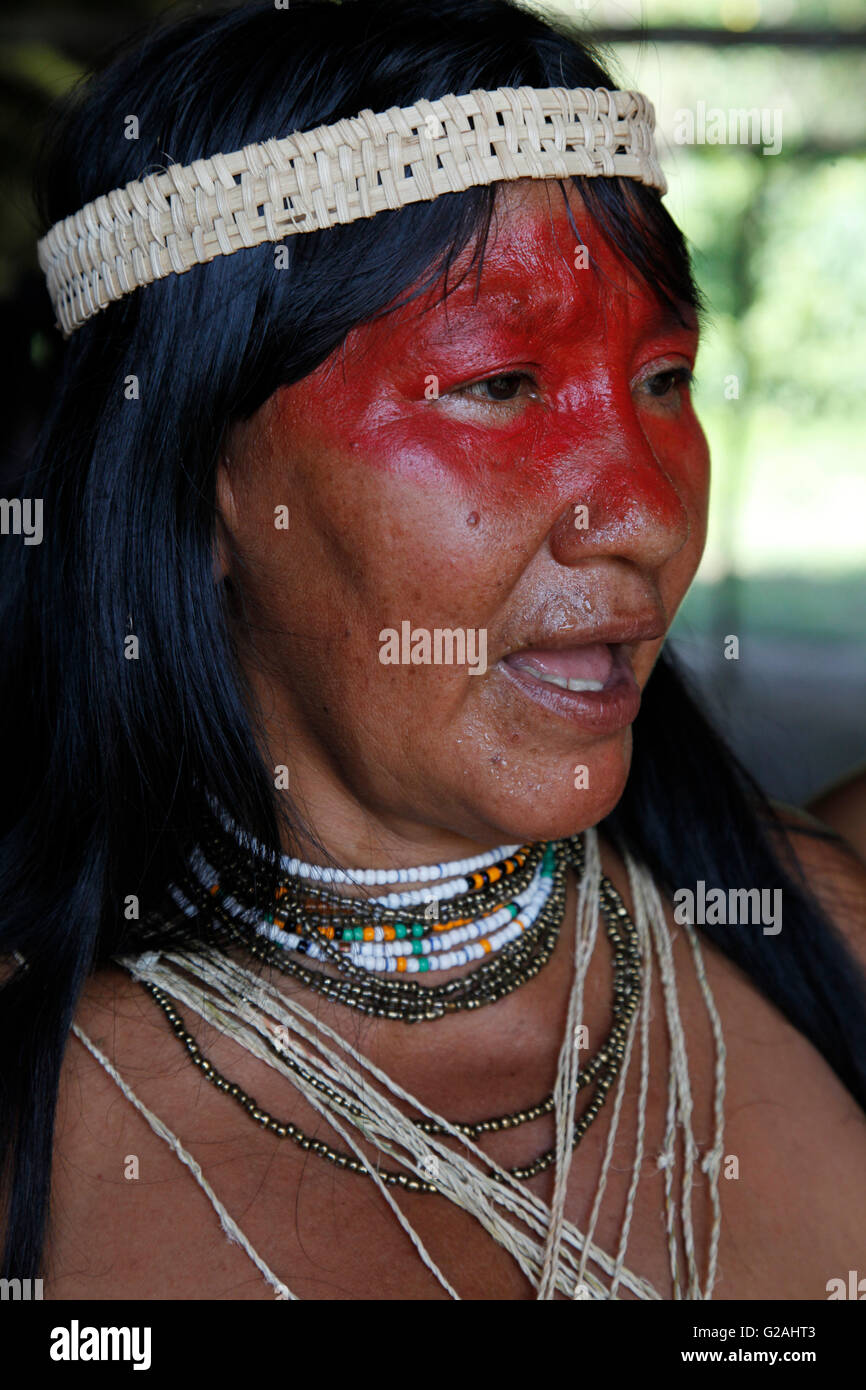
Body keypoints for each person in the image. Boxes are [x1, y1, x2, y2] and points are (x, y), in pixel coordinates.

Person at [2, 0, 865, 1302]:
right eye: (500, 384)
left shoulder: (829, 941)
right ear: (199, 477)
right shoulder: (42, 1135)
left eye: (662, 379)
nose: (636, 513)